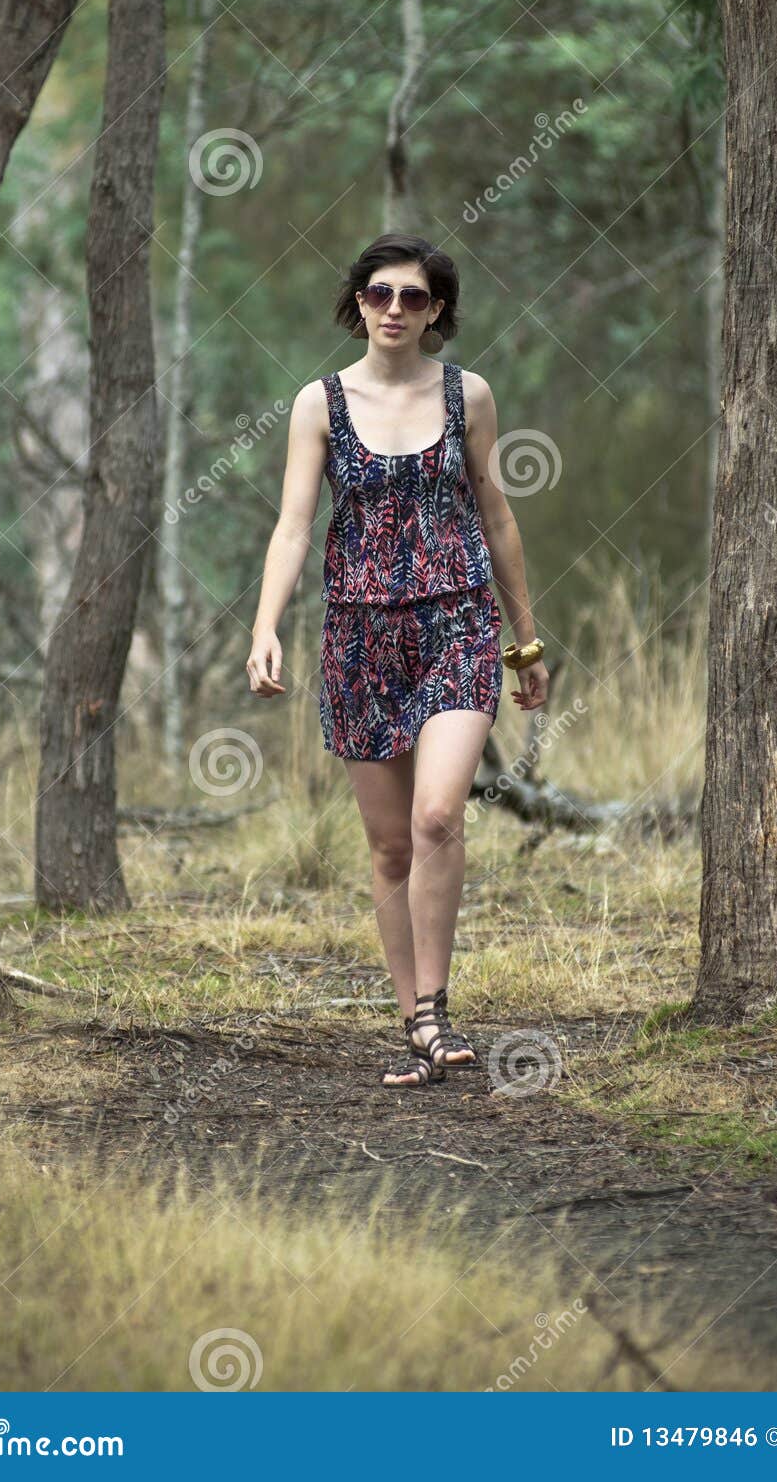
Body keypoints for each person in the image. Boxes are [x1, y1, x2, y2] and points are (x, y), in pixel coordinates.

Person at [247, 234, 549, 1087]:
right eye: (379, 294)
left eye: (413, 298)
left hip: (457, 625)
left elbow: (497, 520)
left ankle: (436, 1008)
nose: (393, 309)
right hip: (358, 636)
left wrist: (523, 644)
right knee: (387, 848)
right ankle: (413, 1024)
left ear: (437, 311)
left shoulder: (467, 396)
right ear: (357, 303)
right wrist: (264, 626)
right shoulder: (320, 404)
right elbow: (294, 527)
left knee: (436, 818)